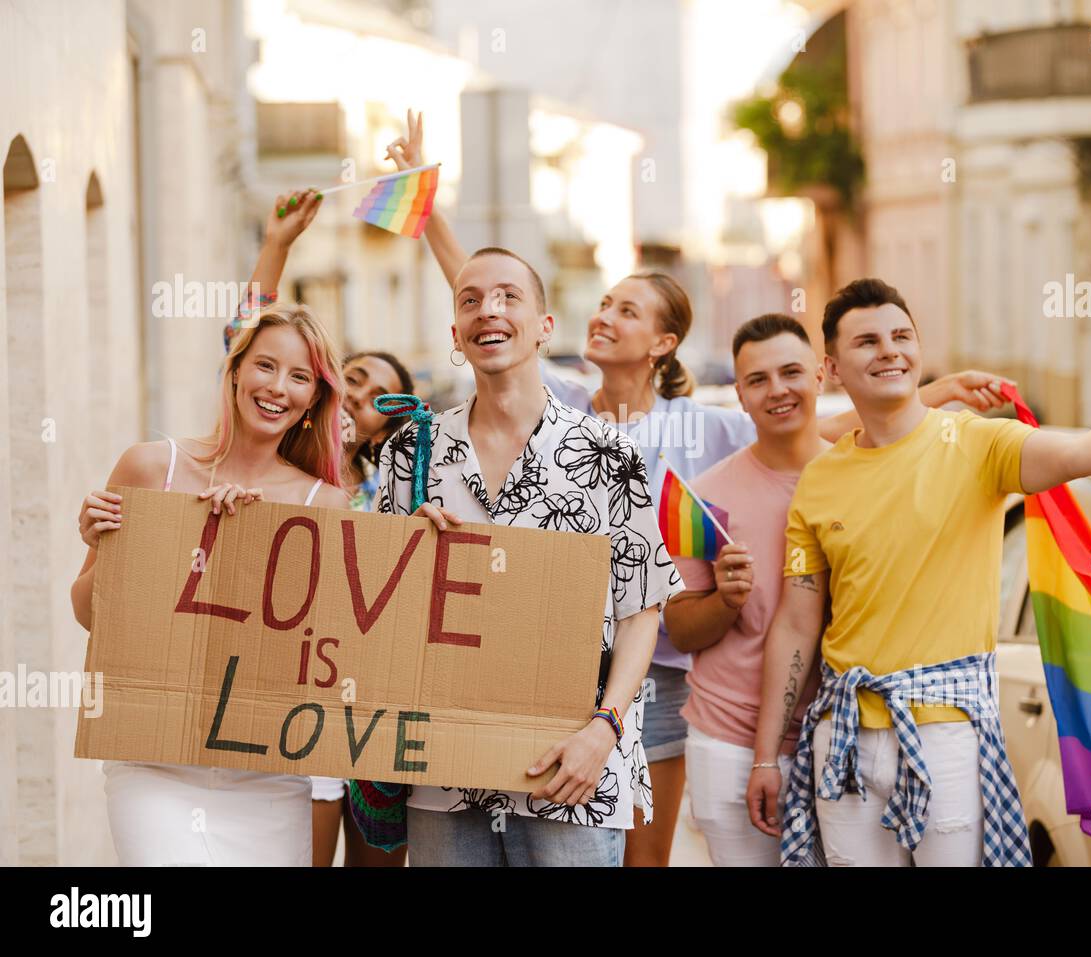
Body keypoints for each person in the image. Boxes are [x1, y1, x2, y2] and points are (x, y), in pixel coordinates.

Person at [385, 108, 1010, 865]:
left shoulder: (708, 429)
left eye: (626, 310)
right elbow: (489, 305)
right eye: (604, 304)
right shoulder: (565, 405)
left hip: (665, 673)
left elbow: (811, 422)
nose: (605, 316)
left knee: (641, 854)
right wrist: (428, 208)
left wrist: (931, 395)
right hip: (552, 671)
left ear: (665, 343)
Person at [746, 278, 1091, 867]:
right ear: (833, 367)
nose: (889, 351)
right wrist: (766, 756)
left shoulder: (977, 445)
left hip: (947, 734)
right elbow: (797, 624)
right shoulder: (821, 477)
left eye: (902, 335)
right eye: (867, 341)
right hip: (843, 735)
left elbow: (1078, 452)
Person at [663, 313, 1007, 865]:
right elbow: (678, 629)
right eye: (757, 380)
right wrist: (723, 602)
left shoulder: (860, 470)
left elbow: (884, 416)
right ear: (740, 395)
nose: (778, 391)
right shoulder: (707, 497)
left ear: (821, 375)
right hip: (733, 740)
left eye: (792, 373)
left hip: (854, 734)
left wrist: (938, 391)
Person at [376, 245, 681, 866]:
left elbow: (640, 610)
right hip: (443, 772)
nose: (489, 310)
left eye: (509, 296)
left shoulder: (607, 454)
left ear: (545, 327)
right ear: (456, 334)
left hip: (573, 771)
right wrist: (405, 550)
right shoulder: (412, 452)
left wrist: (606, 729)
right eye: (470, 300)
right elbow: (377, 607)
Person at [72, 301, 351, 866]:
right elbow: (88, 613)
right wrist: (109, 546)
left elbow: (329, 642)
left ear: (313, 401)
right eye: (266, 366)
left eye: (300, 377)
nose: (278, 387)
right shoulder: (152, 468)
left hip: (268, 774)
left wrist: (243, 553)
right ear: (236, 370)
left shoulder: (326, 503)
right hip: (155, 764)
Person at [224, 191, 416, 866]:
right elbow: (245, 335)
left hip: (365, 719)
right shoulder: (273, 458)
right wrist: (277, 245)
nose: (360, 399)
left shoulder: (390, 499)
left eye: (378, 400)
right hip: (278, 706)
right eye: (355, 380)